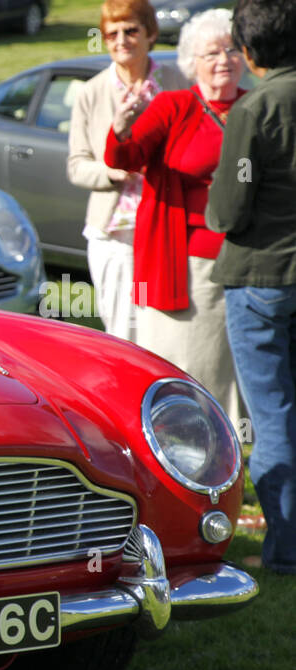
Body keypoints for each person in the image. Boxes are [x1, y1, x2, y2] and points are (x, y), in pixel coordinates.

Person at [104, 7, 246, 425]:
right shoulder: (174, 106)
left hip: (245, 261)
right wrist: (121, 127)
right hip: (182, 262)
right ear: (192, 63)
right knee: (183, 365)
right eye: (212, 52)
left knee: (227, 369)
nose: (224, 59)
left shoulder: (255, 108)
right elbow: (126, 157)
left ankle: (227, 449)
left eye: (232, 49)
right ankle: (182, 444)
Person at [205, 0, 296, 573]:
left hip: (262, 277)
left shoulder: (255, 108)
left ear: (248, 51)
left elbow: (229, 208)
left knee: (273, 419)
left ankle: (285, 553)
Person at [67, 0, 186, 342]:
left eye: (131, 30)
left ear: (151, 34)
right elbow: (77, 166)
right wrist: (112, 172)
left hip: (169, 227)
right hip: (116, 233)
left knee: (167, 333)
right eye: (112, 33)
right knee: (124, 332)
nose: (121, 40)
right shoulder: (91, 93)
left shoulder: (179, 83)